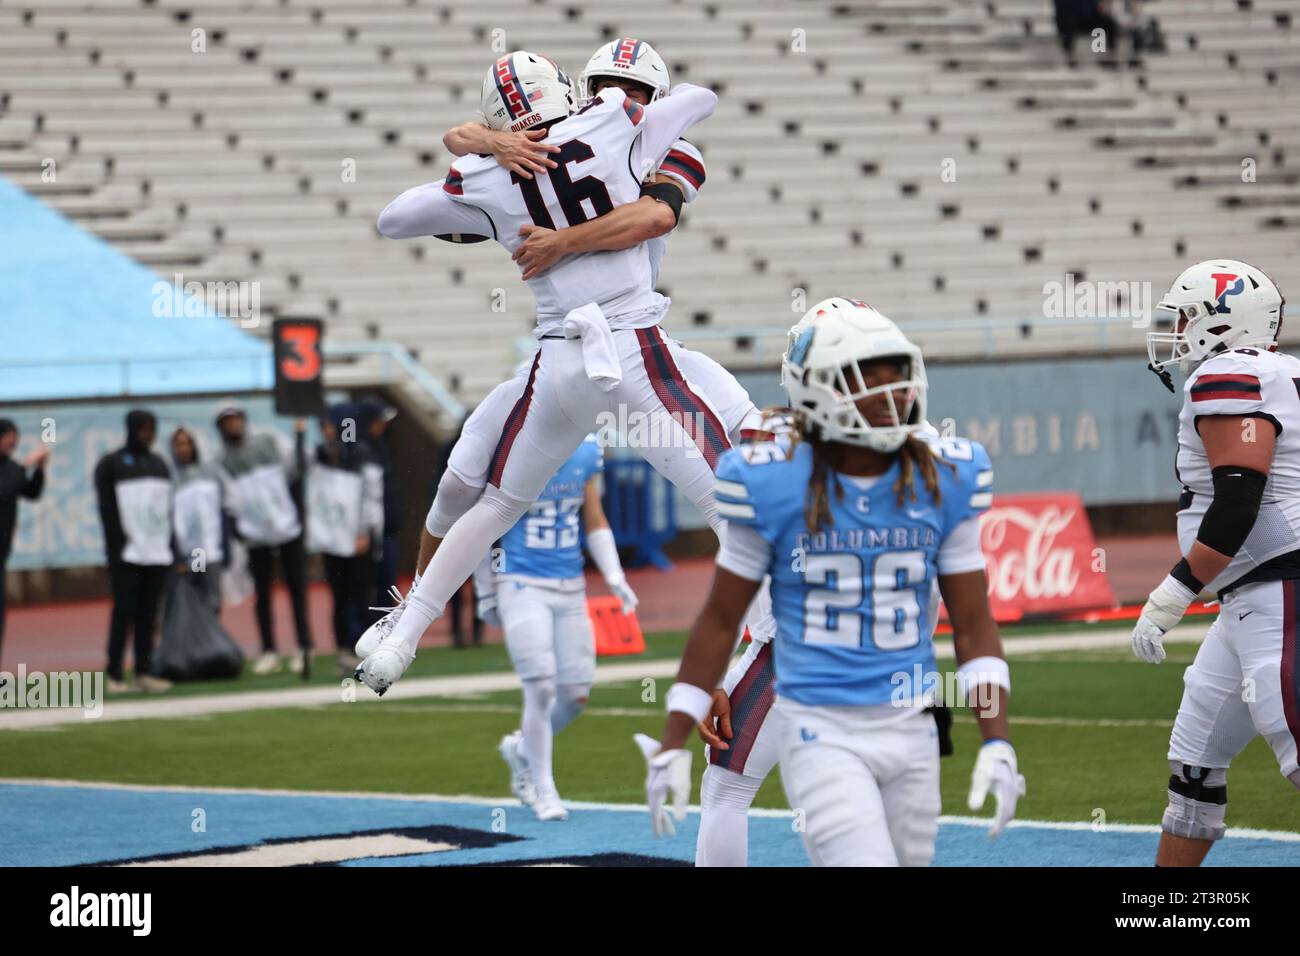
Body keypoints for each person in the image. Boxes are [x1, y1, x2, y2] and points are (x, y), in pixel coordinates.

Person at [358, 50, 762, 695]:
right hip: (626, 345)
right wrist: (488, 140)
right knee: (466, 476)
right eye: (609, 86)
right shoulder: (618, 121)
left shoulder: (493, 175)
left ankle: (407, 633)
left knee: (494, 498)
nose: (615, 93)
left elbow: (397, 217)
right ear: (582, 89)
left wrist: (488, 151)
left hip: (565, 356)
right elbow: (698, 97)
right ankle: (405, 621)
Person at [636, 298, 1025, 865]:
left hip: (911, 719)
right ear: (820, 389)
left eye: (897, 375)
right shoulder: (769, 477)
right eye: (870, 379)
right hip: (815, 712)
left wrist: (998, 738)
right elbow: (724, 614)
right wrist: (675, 732)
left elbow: (974, 621)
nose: (893, 395)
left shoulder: (947, 473)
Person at [1134, 259, 1300, 866]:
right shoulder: (1280, 372)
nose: (1175, 333)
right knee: (1194, 767)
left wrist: (1172, 595)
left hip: (1281, 587)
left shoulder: (1230, 374)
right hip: (1253, 596)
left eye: (1184, 319)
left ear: (1220, 322)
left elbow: (1237, 503)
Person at [480, 432, 637, 821]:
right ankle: (543, 787)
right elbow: (480, 526)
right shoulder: (513, 452)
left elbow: (594, 516)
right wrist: (486, 590)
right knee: (542, 686)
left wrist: (615, 576)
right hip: (521, 582)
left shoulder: (586, 448)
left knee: (576, 694)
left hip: (571, 584)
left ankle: (521, 750)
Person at [216, 405, 312, 675]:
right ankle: (269, 650)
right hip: (256, 534)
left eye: (235, 419)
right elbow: (228, 499)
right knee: (262, 596)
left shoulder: (268, 439)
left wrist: (300, 437)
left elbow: (298, 465)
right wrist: (240, 529)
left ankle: (304, 646)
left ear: (243, 420)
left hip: (286, 527)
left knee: (297, 590)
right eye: (226, 422)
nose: (231, 425)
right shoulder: (221, 460)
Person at [94, 410, 174, 693]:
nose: (147, 434)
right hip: (126, 553)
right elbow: (106, 510)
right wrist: (117, 545)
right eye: (142, 428)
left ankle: (144, 671)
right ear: (131, 429)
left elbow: (166, 510)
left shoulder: (160, 464)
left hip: (157, 552)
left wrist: (171, 547)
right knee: (124, 612)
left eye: (151, 428)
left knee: (148, 615)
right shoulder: (111, 464)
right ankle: (114, 673)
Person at [307, 403, 384, 675]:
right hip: (333, 540)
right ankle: (342, 651)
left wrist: (365, 532)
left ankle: (363, 650)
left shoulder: (361, 454)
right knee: (338, 598)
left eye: (329, 424)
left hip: (358, 541)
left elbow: (372, 497)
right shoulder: (322, 454)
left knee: (362, 597)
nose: (325, 430)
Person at [0, 418, 47, 670]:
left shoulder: (11, 467)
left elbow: (30, 492)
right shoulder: (14, 469)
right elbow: (5, 488)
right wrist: (26, 464)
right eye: (8, 437)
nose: (13, 443)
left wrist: (39, 469)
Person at [357, 396, 403, 618]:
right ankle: (362, 635)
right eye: (378, 421)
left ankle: (385, 632)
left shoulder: (381, 446)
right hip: (370, 533)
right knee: (365, 588)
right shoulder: (362, 451)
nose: (383, 425)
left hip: (388, 530)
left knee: (387, 586)